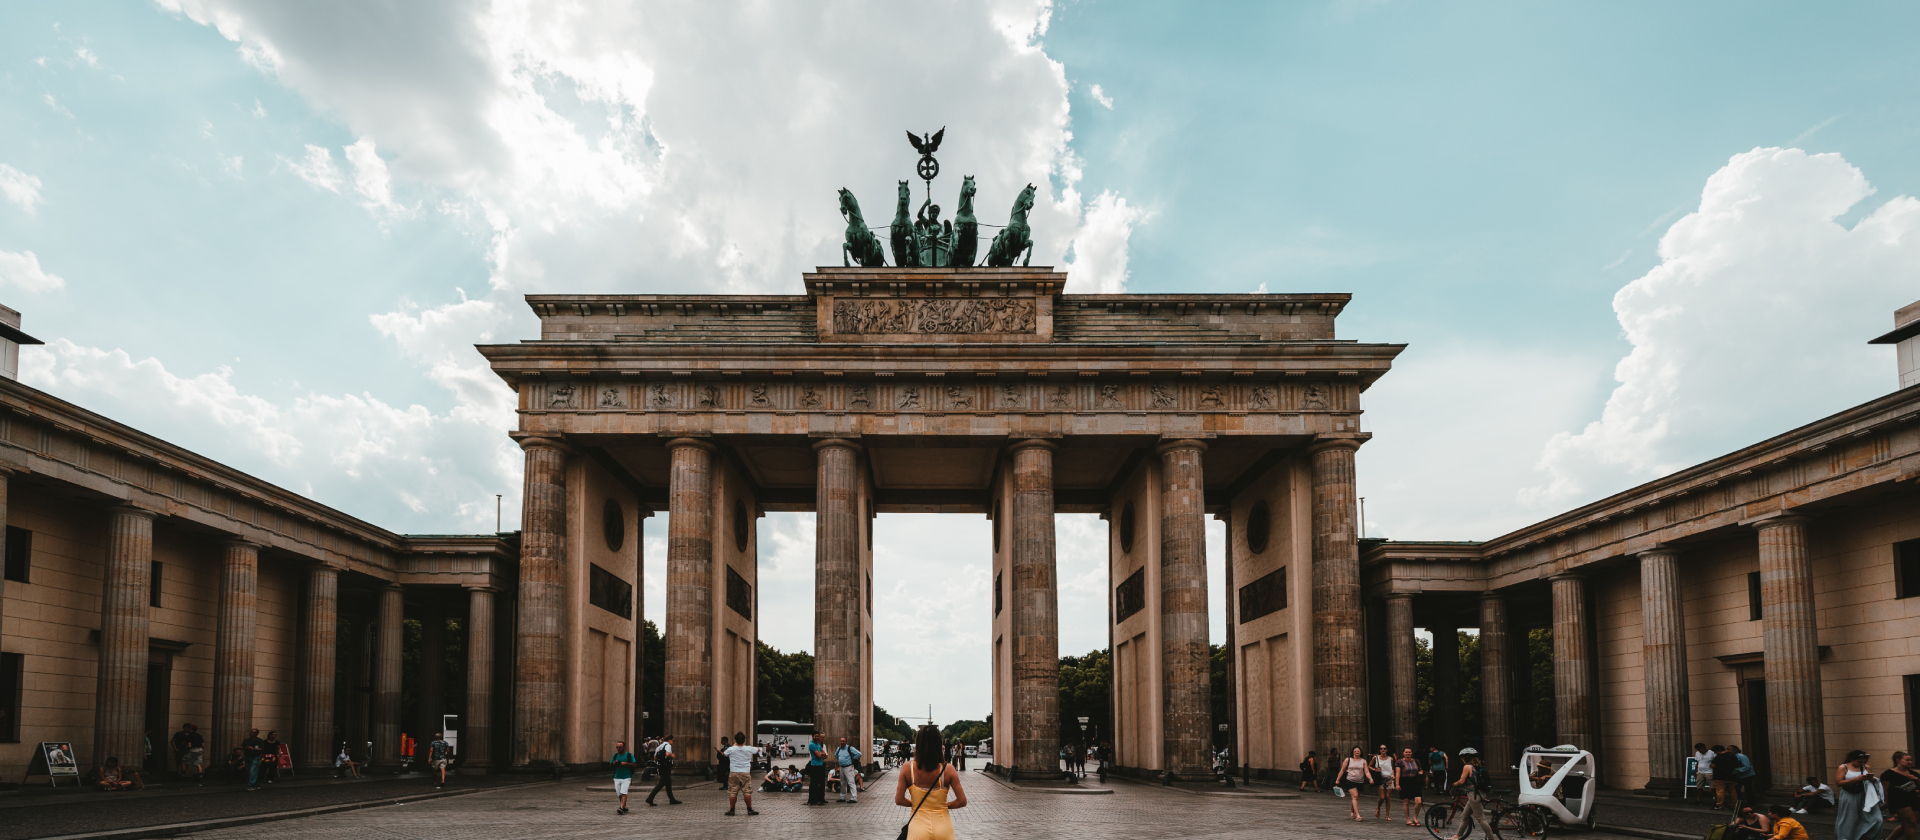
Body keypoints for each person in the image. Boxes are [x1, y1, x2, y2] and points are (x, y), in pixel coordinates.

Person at [894, 725, 968, 840]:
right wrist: (944, 806)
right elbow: (962, 801)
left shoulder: (907, 768)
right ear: (939, 744)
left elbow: (899, 800)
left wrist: (917, 804)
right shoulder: (948, 769)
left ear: (918, 743)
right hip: (943, 827)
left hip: (918, 828)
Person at [1446, 749, 1498, 840]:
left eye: (1462, 758)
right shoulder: (1477, 766)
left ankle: (1491, 839)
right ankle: (1457, 836)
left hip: (1474, 796)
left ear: (1465, 758)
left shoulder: (1467, 767)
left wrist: (1455, 784)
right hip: (1477, 794)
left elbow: (1462, 781)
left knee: (1481, 819)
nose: (1461, 760)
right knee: (1465, 816)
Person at [1834, 749, 1884, 840]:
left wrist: (1871, 779)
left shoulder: (1866, 767)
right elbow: (1838, 782)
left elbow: (1872, 780)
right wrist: (1857, 779)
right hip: (1849, 795)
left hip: (1865, 795)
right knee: (1849, 819)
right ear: (1852, 759)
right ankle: (1846, 837)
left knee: (1877, 819)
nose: (1862, 764)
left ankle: (1865, 836)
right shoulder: (1843, 767)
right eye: (1860, 762)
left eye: (1864, 762)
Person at [1883, 751, 1920, 840]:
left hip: (1913, 799)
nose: (1910, 762)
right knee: (1910, 822)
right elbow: (1884, 790)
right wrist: (1886, 802)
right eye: (1907, 760)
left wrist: (1916, 779)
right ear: (1898, 760)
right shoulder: (1888, 774)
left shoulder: (1913, 773)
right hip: (1898, 800)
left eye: (1911, 760)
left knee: (1908, 824)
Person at [723, 731, 761, 816]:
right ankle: (749, 810)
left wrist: (734, 745)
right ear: (744, 740)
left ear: (735, 740)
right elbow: (758, 749)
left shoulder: (731, 749)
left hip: (734, 772)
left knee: (733, 791)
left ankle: (732, 810)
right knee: (747, 791)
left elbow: (724, 754)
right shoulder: (748, 748)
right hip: (745, 772)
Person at [1336, 746, 1373, 822]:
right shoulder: (1348, 760)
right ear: (1353, 752)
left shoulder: (1363, 761)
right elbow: (1342, 770)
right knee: (1355, 796)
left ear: (1360, 752)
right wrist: (1337, 779)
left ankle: (1352, 812)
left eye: (1358, 750)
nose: (1357, 751)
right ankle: (1358, 815)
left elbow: (1366, 771)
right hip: (1350, 780)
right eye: (1355, 750)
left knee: (1355, 797)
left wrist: (1370, 778)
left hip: (1360, 781)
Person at [646, 735, 681, 806]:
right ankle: (650, 798)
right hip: (666, 767)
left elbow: (655, 757)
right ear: (669, 740)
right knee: (661, 783)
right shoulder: (668, 745)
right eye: (673, 740)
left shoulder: (660, 746)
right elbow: (667, 754)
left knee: (668, 783)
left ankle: (672, 799)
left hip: (660, 766)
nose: (673, 742)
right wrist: (672, 756)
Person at [1397, 747, 1426, 827]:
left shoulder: (1416, 761)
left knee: (1419, 801)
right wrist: (1397, 784)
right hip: (1404, 782)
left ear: (1412, 753)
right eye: (1406, 752)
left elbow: (1420, 770)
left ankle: (1415, 818)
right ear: (1403, 753)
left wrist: (1420, 772)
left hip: (1415, 782)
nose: (1408, 753)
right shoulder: (1399, 762)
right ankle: (1408, 819)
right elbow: (1398, 773)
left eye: (1409, 752)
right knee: (1406, 801)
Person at [610, 740, 638, 815]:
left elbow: (635, 765)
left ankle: (621, 807)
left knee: (623, 793)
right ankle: (624, 806)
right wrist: (614, 763)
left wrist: (626, 763)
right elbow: (610, 765)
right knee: (619, 794)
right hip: (617, 777)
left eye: (620, 747)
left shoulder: (629, 755)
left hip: (626, 777)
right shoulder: (615, 756)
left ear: (624, 747)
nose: (618, 749)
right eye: (617, 747)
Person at [1712, 744, 1743, 810]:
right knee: (1733, 791)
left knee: (1720, 791)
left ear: (1717, 751)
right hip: (1731, 777)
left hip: (1719, 777)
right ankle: (1734, 804)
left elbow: (1713, 765)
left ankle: (1720, 805)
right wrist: (1735, 774)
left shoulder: (1718, 757)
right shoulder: (1733, 756)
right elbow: (1738, 766)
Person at [834, 736, 864, 803]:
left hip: (848, 767)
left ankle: (854, 798)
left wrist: (854, 758)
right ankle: (842, 797)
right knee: (842, 783)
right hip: (841, 767)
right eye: (841, 741)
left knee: (851, 782)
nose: (842, 742)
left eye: (843, 741)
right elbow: (836, 755)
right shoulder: (838, 749)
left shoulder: (849, 748)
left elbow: (859, 754)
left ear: (846, 742)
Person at [1372, 745, 1396, 819]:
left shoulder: (1391, 759)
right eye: (1381, 748)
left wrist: (1393, 774)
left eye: (1384, 748)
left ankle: (1387, 815)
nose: (1383, 750)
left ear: (1387, 750)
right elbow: (1369, 766)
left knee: (1388, 797)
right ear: (1379, 750)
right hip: (1380, 779)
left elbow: (1392, 768)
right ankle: (1378, 808)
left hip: (1389, 779)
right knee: (1382, 797)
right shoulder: (1375, 758)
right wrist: (1375, 770)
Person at [806, 733, 828, 805]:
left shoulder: (818, 744)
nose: (816, 737)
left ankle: (819, 798)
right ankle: (813, 799)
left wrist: (821, 754)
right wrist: (821, 754)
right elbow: (819, 755)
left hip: (820, 764)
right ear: (812, 737)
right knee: (814, 783)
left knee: (820, 783)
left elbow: (825, 755)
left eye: (817, 736)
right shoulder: (812, 744)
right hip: (815, 765)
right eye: (815, 736)